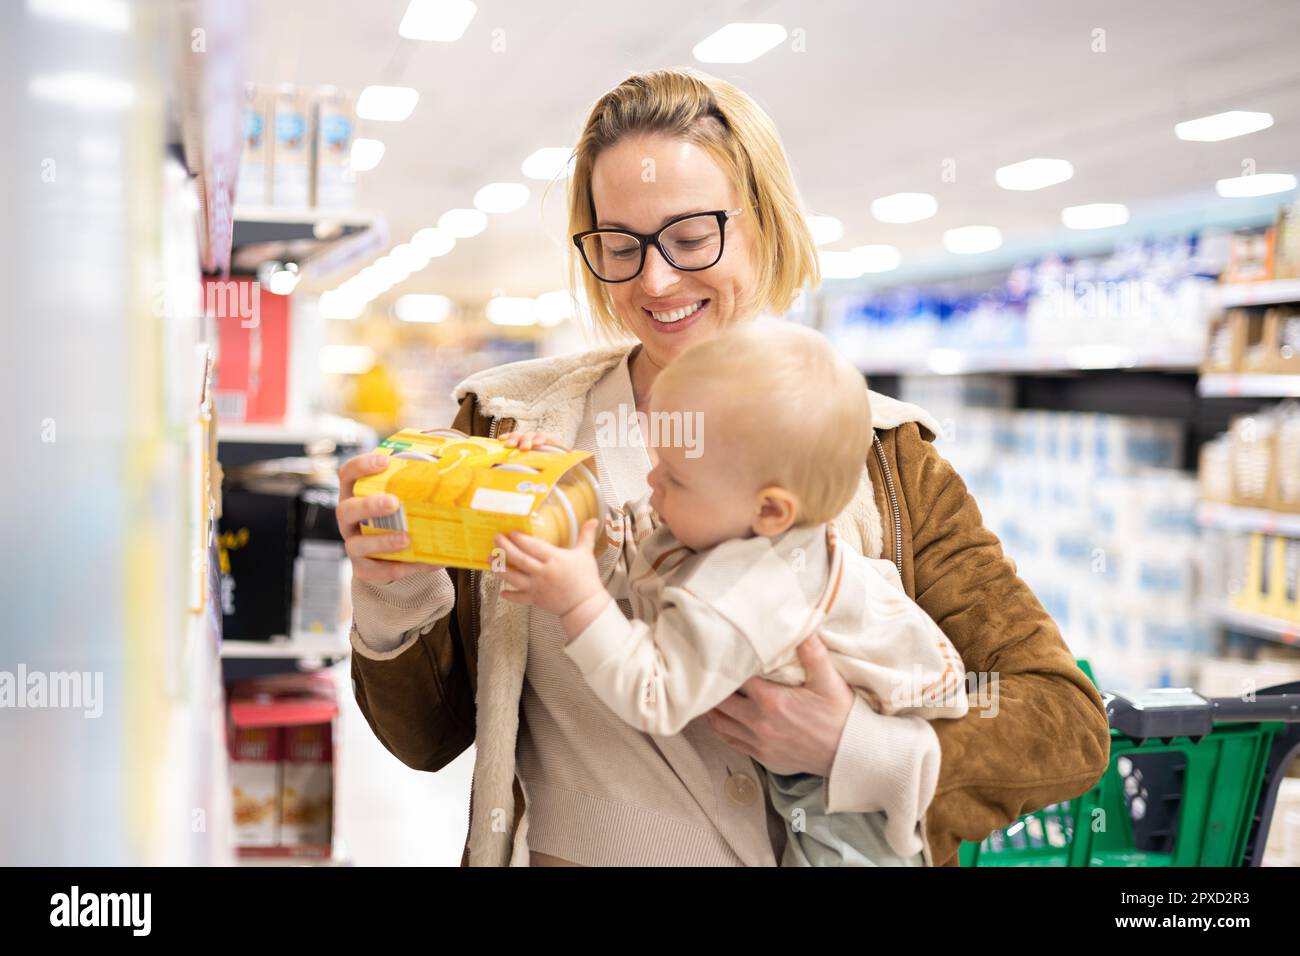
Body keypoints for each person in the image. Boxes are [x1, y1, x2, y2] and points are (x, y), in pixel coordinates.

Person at [336, 67, 1110, 867]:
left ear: (765, 223)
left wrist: (855, 744)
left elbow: (1064, 726)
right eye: (619, 244)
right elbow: (428, 738)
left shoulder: (880, 454)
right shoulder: (512, 431)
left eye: (692, 234)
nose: (656, 279)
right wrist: (395, 583)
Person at [490, 321, 969, 867]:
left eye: (675, 477)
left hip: (850, 816)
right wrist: (562, 485)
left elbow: (655, 694)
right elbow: (641, 554)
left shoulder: (752, 590)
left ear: (770, 510)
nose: (652, 484)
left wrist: (578, 602)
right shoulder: (743, 527)